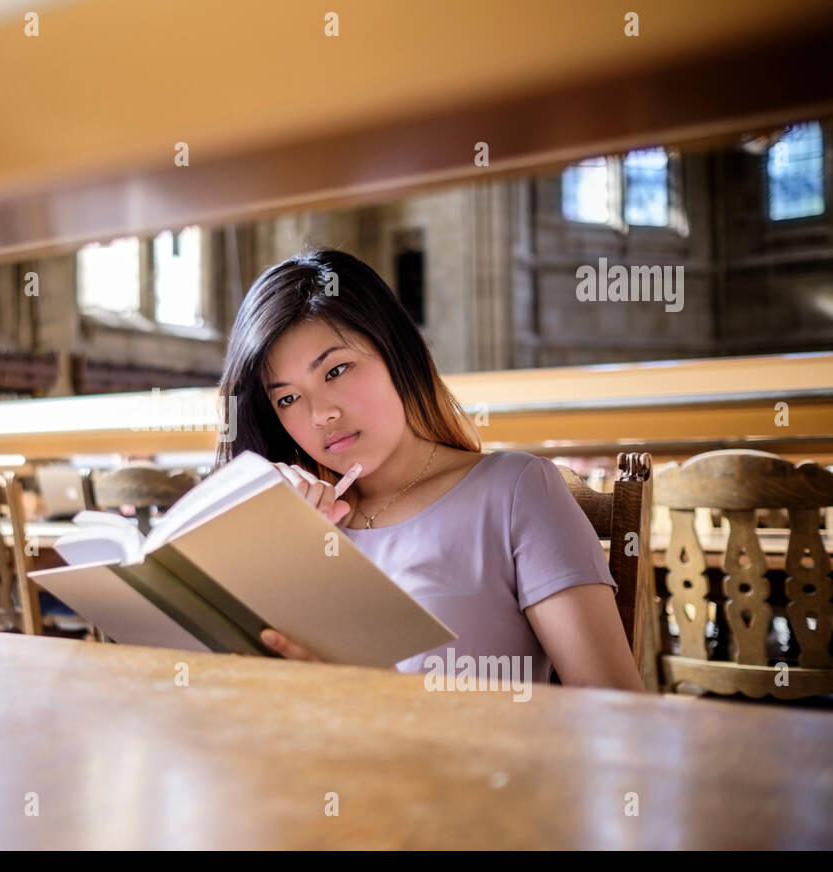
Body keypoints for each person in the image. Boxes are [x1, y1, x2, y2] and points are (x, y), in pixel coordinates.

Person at [214, 249, 643, 691]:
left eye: (336, 370)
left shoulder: (515, 492)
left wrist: (378, 690)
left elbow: (616, 715)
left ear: (395, 352)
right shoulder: (298, 523)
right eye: (286, 399)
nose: (320, 414)